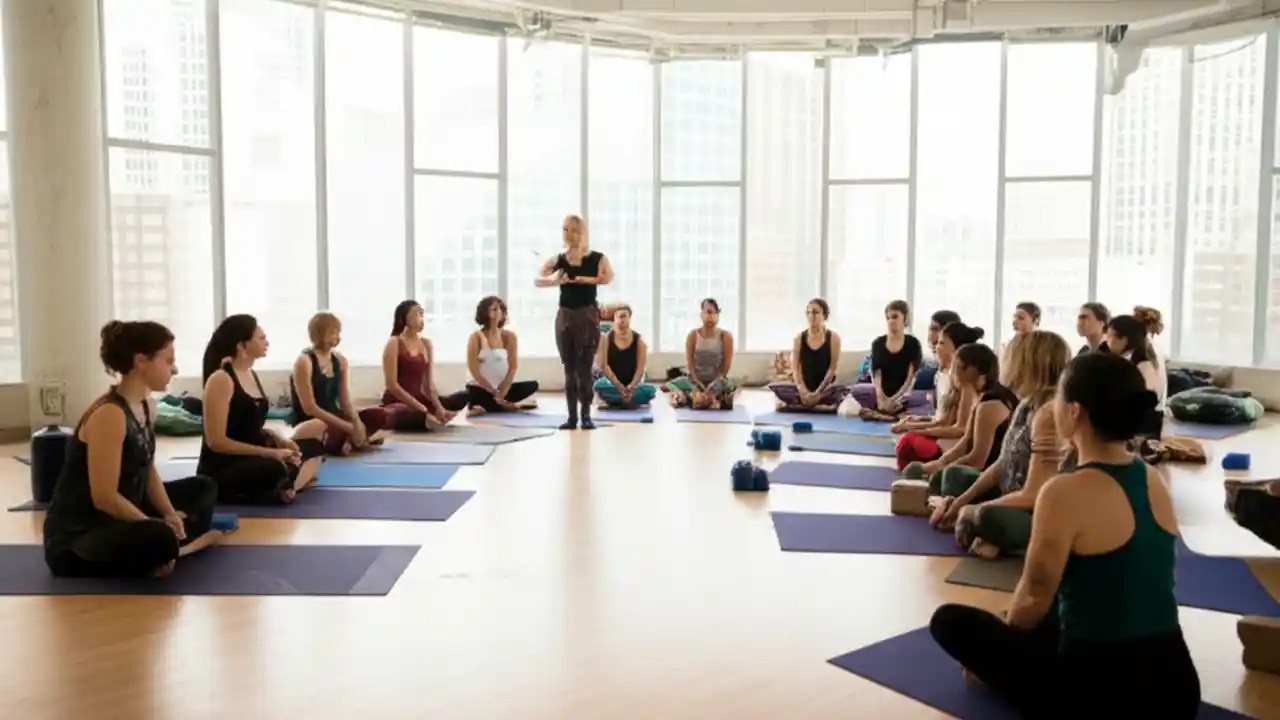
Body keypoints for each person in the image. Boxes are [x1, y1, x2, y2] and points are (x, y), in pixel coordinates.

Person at [929, 352, 1200, 719]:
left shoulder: (1063, 492)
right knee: (1062, 609)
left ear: (1073, 412)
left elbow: (1032, 602)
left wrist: (998, 652)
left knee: (949, 620)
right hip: (1176, 690)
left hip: (1095, 695)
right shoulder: (1153, 479)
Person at [43, 321, 225, 578]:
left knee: (203, 487)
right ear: (141, 361)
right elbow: (104, 498)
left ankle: (169, 548)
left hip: (123, 514)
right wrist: (153, 524)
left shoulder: (148, 406)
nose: (175, 368)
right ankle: (178, 547)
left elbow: (147, 469)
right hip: (80, 538)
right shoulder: (110, 414)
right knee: (159, 535)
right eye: (168, 360)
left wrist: (169, 514)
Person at [935, 331, 1072, 558]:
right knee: (954, 478)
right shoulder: (1026, 403)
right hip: (1011, 495)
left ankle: (997, 535)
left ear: (1030, 362)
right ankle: (985, 531)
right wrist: (962, 501)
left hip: (1037, 512)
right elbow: (1004, 461)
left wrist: (973, 511)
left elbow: (1034, 494)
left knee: (987, 517)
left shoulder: (1051, 413)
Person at [198, 315, 327, 504]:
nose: (267, 342)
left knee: (311, 447)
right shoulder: (221, 379)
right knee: (275, 467)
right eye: (261, 338)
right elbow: (216, 442)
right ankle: (289, 483)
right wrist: (270, 453)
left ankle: (287, 486)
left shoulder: (251, 375)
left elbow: (247, 427)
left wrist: (279, 440)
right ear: (242, 345)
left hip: (254, 455)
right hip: (226, 466)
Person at [909, 344, 1018, 501]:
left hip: (995, 479)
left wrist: (943, 470)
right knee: (916, 470)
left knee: (950, 476)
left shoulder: (991, 404)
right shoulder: (982, 397)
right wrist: (938, 463)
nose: (953, 372)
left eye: (956, 366)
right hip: (984, 470)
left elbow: (978, 459)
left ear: (971, 370)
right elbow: (966, 441)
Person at [536, 214, 614, 430]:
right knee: (569, 369)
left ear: (582, 232)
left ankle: (586, 416)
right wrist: (555, 280)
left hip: (587, 315)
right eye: (565, 229)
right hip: (565, 317)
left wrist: (586, 280)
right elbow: (539, 279)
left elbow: (608, 277)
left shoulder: (597, 258)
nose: (569, 234)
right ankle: (571, 418)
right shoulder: (559, 259)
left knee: (585, 369)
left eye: (573, 229)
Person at [290, 312, 388, 455]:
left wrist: (356, 422)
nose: (337, 337)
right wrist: (346, 427)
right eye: (333, 333)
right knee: (330, 431)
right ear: (319, 334)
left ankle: (352, 439)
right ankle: (351, 440)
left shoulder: (340, 360)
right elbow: (309, 408)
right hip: (314, 421)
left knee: (381, 415)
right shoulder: (304, 361)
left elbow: (345, 401)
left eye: (338, 333)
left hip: (335, 415)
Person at [892, 322, 984, 469]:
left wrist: (916, 429)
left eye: (942, 343)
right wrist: (916, 421)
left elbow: (960, 429)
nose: (936, 346)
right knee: (903, 437)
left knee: (907, 442)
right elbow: (941, 419)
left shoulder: (964, 383)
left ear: (955, 349)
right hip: (943, 436)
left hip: (954, 444)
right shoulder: (941, 375)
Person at [378, 300, 462, 431]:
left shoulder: (426, 344)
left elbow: (429, 384)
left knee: (451, 406)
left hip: (419, 398)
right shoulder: (394, 343)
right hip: (399, 401)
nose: (421, 319)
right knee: (410, 414)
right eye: (417, 314)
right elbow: (392, 385)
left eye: (422, 315)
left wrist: (439, 408)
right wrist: (420, 408)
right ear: (404, 317)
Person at [453, 296, 539, 415]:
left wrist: (503, 390)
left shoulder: (509, 336)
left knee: (532, 385)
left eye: (500, 309)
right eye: (494, 309)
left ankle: (496, 404)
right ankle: (503, 405)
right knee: (468, 395)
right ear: (485, 312)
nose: (499, 312)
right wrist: (492, 391)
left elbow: (513, 367)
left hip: (502, 388)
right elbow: (474, 370)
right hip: (481, 388)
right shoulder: (476, 337)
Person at [768, 299, 847, 412]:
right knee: (777, 388)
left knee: (842, 391)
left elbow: (832, 369)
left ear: (824, 315)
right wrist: (802, 390)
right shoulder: (799, 338)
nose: (811, 316)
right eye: (808, 312)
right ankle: (814, 405)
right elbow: (795, 368)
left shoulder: (834, 338)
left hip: (825, 387)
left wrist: (818, 393)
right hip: (803, 385)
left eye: (815, 312)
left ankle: (806, 405)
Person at [666, 298, 738, 410]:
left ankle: (712, 398)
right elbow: (690, 363)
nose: (711, 316)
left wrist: (714, 384)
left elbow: (726, 365)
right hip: (695, 380)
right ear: (702, 314)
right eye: (708, 312)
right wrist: (697, 382)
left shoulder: (726, 336)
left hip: (717, 381)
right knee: (669, 385)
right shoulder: (693, 335)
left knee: (732, 385)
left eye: (715, 313)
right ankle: (692, 396)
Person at [1107, 313, 1164, 438]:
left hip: (1140, 429)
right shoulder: (1135, 360)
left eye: (1110, 336)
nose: (1107, 341)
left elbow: (1147, 401)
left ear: (1123, 340)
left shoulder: (1141, 364)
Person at [593, 304, 657, 408]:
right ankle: (624, 399)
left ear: (629, 318)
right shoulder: (605, 339)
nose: (620, 320)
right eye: (618, 317)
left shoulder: (639, 341)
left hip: (631, 382)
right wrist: (619, 386)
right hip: (612, 383)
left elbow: (640, 370)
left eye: (623, 316)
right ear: (613, 319)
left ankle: (617, 399)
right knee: (599, 386)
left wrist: (632, 386)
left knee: (651, 391)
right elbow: (604, 366)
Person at [868, 300, 924, 414]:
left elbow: (910, 378)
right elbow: (876, 374)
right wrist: (880, 397)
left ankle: (889, 413)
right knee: (857, 391)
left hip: (904, 392)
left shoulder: (913, 343)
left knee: (922, 399)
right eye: (888, 318)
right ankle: (884, 411)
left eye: (895, 317)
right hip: (881, 392)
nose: (891, 321)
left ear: (905, 319)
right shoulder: (878, 343)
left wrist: (894, 399)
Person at [1000, 302, 1041, 385]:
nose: (1015, 321)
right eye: (1014, 317)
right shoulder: (1007, 345)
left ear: (1035, 321)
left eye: (1021, 318)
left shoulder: (1042, 345)